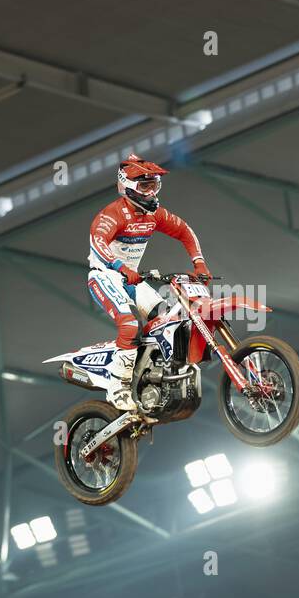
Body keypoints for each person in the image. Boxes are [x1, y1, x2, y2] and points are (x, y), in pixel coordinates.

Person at [87, 154, 210, 411]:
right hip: (105, 276)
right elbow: (98, 242)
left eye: (155, 185)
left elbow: (185, 232)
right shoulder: (113, 214)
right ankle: (118, 387)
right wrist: (120, 267)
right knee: (130, 324)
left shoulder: (154, 215)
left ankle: (149, 375)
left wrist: (199, 262)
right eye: (145, 186)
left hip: (133, 278)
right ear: (127, 186)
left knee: (165, 320)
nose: (152, 192)